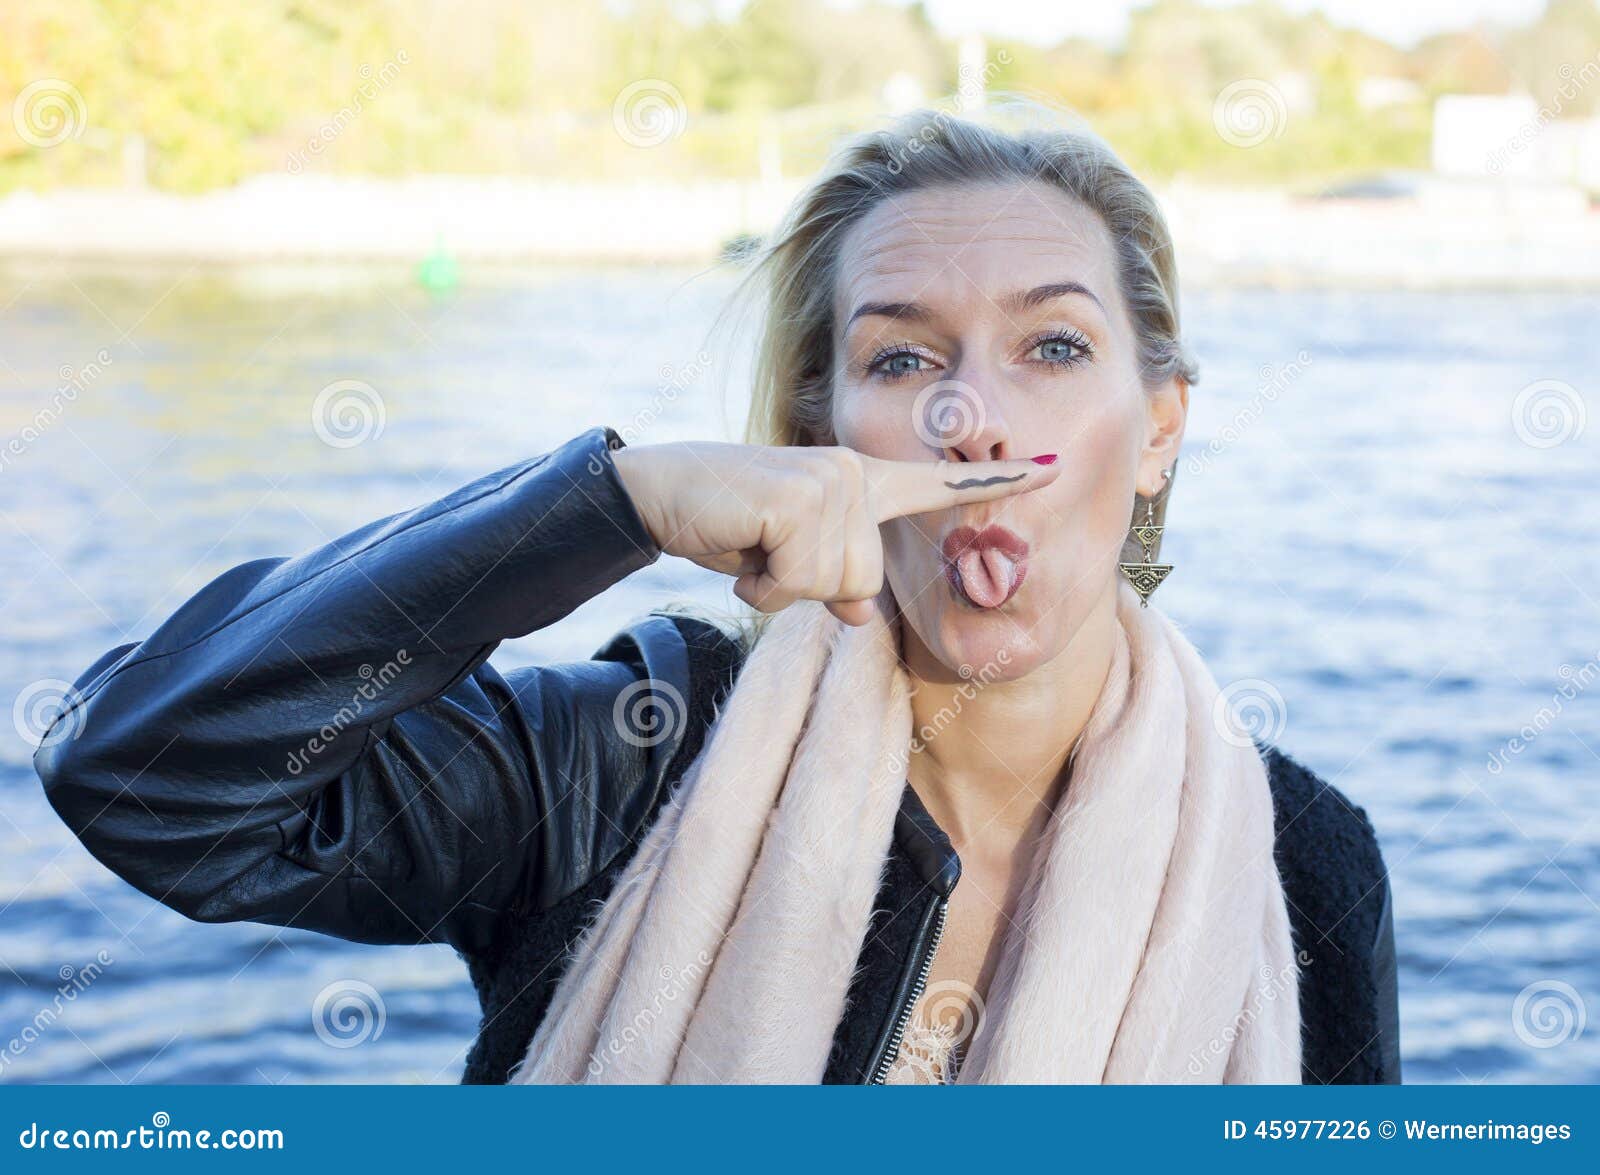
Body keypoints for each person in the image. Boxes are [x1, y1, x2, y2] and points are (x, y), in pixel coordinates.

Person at [35, 108, 1399, 1085]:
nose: (972, 418)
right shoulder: (624, 764)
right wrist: (610, 503)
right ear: (817, 438)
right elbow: (144, 782)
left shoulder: (1305, 859)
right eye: (903, 360)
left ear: (1158, 428)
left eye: (1052, 345)